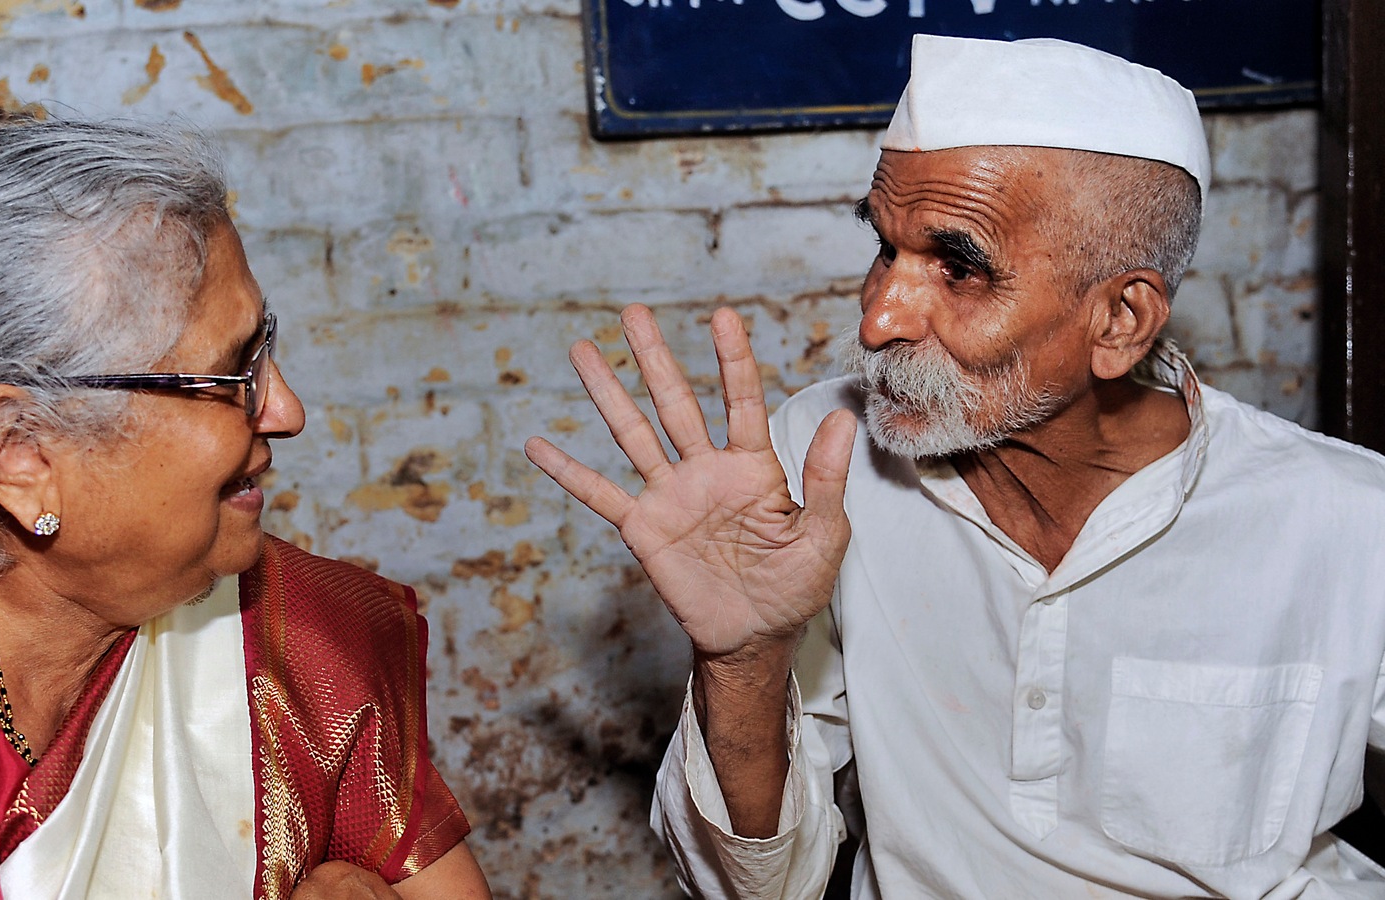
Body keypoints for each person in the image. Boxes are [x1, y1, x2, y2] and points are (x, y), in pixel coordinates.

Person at [527, 35, 1385, 899]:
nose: (879, 319)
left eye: (958, 266)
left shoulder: (1345, 521)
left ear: (1121, 320)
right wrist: (744, 662)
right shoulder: (824, 458)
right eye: (884, 249)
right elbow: (759, 887)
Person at [0, 120, 491, 900]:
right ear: (20, 451)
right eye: (230, 377)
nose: (287, 409)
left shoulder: (287, 634)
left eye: (265, 349)